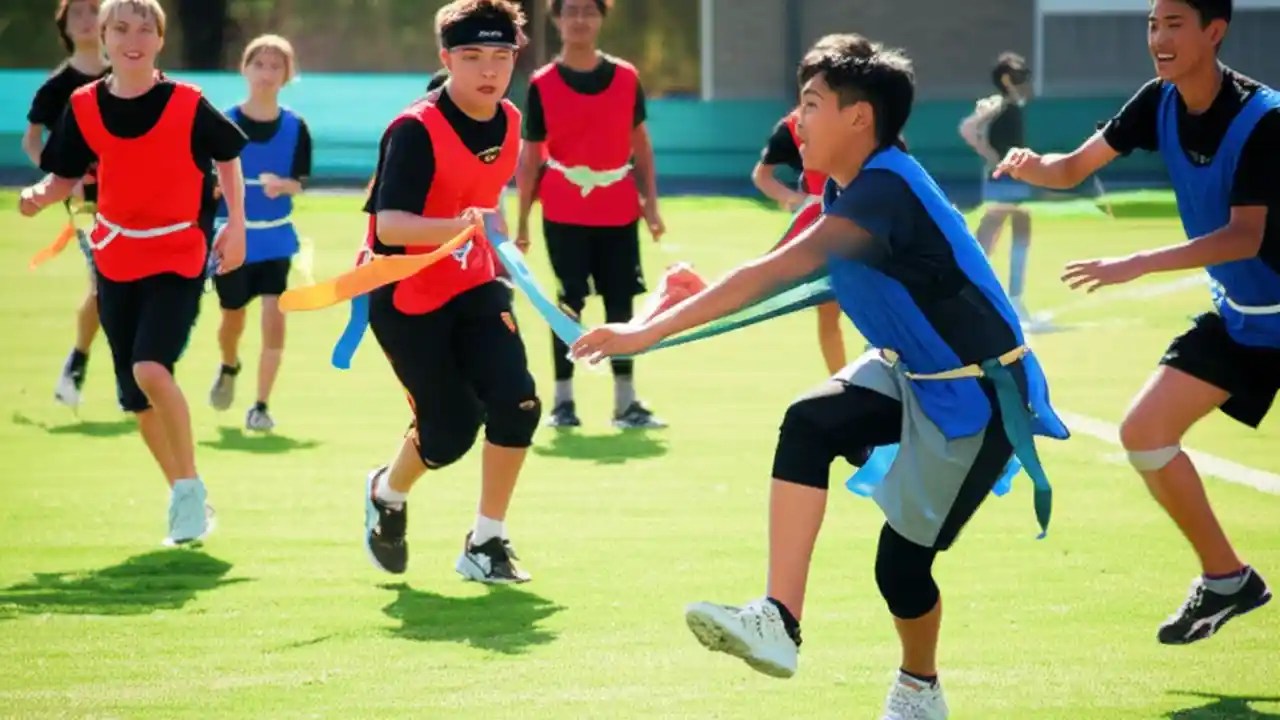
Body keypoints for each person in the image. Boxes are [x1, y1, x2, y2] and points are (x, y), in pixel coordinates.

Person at [572, 35, 1067, 720]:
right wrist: (690, 293)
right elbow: (772, 267)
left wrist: (644, 331)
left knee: (900, 572)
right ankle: (779, 620)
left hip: (980, 395)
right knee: (809, 422)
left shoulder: (887, 191)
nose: (795, 121)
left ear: (860, 118)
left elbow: (772, 275)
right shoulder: (848, 189)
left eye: (810, 104)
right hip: (912, 371)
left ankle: (920, 687)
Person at [994, 0, 1274, 645]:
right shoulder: (1159, 101)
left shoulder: (1266, 121)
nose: (1159, 37)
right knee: (1145, 433)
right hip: (1245, 322)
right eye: (1153, 25)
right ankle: (1227, 579)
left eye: (1174, 24)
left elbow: (1243, 236)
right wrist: (1034, 166)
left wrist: (1137, 262)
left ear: (1215, 30)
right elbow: (1070, 168)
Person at [19, 0, 248, 545]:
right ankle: (184, 496)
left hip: (177, 254)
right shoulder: (84, 105)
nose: (133, 38)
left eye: (146, 29)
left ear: (160, 41)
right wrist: (38, 196)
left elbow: (228, 157)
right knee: (135, 397)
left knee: (150, 367)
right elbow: (62, 174)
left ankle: (189, 485)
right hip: (115, 256)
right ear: (102, 38)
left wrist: (236, 223)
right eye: (121, 28)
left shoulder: (186, 103)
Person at [361, 0, 540, 584]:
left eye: (500, 56)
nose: (488, 69)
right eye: (471, 56)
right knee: (450, 432)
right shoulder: (414, 130)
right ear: (446, 59)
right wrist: (466, 226)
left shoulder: (510, 120)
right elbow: (391, 226)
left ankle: (487, 541)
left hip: (473, 283)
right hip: (406, 293)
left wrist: (502, 248)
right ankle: (387, 493)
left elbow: (488, 196)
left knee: (518, 403)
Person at [516, 0, 667, 430]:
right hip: (564, 207)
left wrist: (650, 205)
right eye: (571, 11)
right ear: (557, 19)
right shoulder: (542, 83)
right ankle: (563, 403)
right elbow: (530, 159)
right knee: (568, 302)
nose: (580, 20)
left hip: (618, 207)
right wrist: (524, 220)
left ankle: (626, 403)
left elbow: (641, 145)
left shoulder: (626, 77)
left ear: (602, 18)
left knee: (620, 303)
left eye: (589, 11)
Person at [208, 34, 313, 433]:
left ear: (288, 74)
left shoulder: (296, 126)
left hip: (275, 240)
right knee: (232, 320)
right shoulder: (223, 122)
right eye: (260, 64)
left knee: (274, 319)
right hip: (233, 239)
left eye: (276, 66)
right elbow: (206, 176)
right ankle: (229, 365)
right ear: (244, 69)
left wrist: (283, 185)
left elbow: (301, 180)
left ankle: (261, 406)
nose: (267, 73)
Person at [25, 0, 108, 409]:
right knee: (105, 282)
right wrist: (63, 178)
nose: (88, 19)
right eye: (77, 13)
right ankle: (78, 361)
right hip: (86, 205)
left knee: (137, 284)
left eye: (94, 10)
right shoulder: (58, 86)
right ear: (65, 26)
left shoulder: (128, 73)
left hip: (140, 197)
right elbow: (32, 141)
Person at [753, 105, 847, 375]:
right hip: (820, 229)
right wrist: (797, 200)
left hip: (865, 220)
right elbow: (762, 175)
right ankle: (843, 382)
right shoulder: (792, 127)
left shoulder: (862, 117)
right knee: (829, 310)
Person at [959, 52, 1040, 326]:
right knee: (989, 235)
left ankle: (1011, 299)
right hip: (1005, 178)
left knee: (1012, 229)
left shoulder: (1012, 105)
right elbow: (968, 129)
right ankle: (971, 296)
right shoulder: (1000, 107)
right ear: (1006, 79)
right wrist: (989, 154)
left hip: (1013, 176)